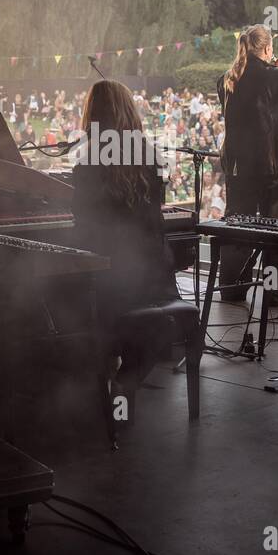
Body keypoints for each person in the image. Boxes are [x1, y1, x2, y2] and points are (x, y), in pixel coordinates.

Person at [70, 80, 179, 392]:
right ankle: (126, 381)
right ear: (130, 113)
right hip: (152, 271)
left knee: (72, 291)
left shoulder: (87, 164)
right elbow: (153, 219)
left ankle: (99, 373)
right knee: (157, 322)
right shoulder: (152, 157)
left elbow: (84, 226)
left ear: (92, 117)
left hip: (108, 275)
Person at [216, 25, 278, 307]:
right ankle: (274, 292)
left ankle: (232, 288)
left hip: (238, 165)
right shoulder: (277, 76)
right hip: (272, 165)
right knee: (272, 229)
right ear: (266, 48)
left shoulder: (227, 79)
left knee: (237, 225)